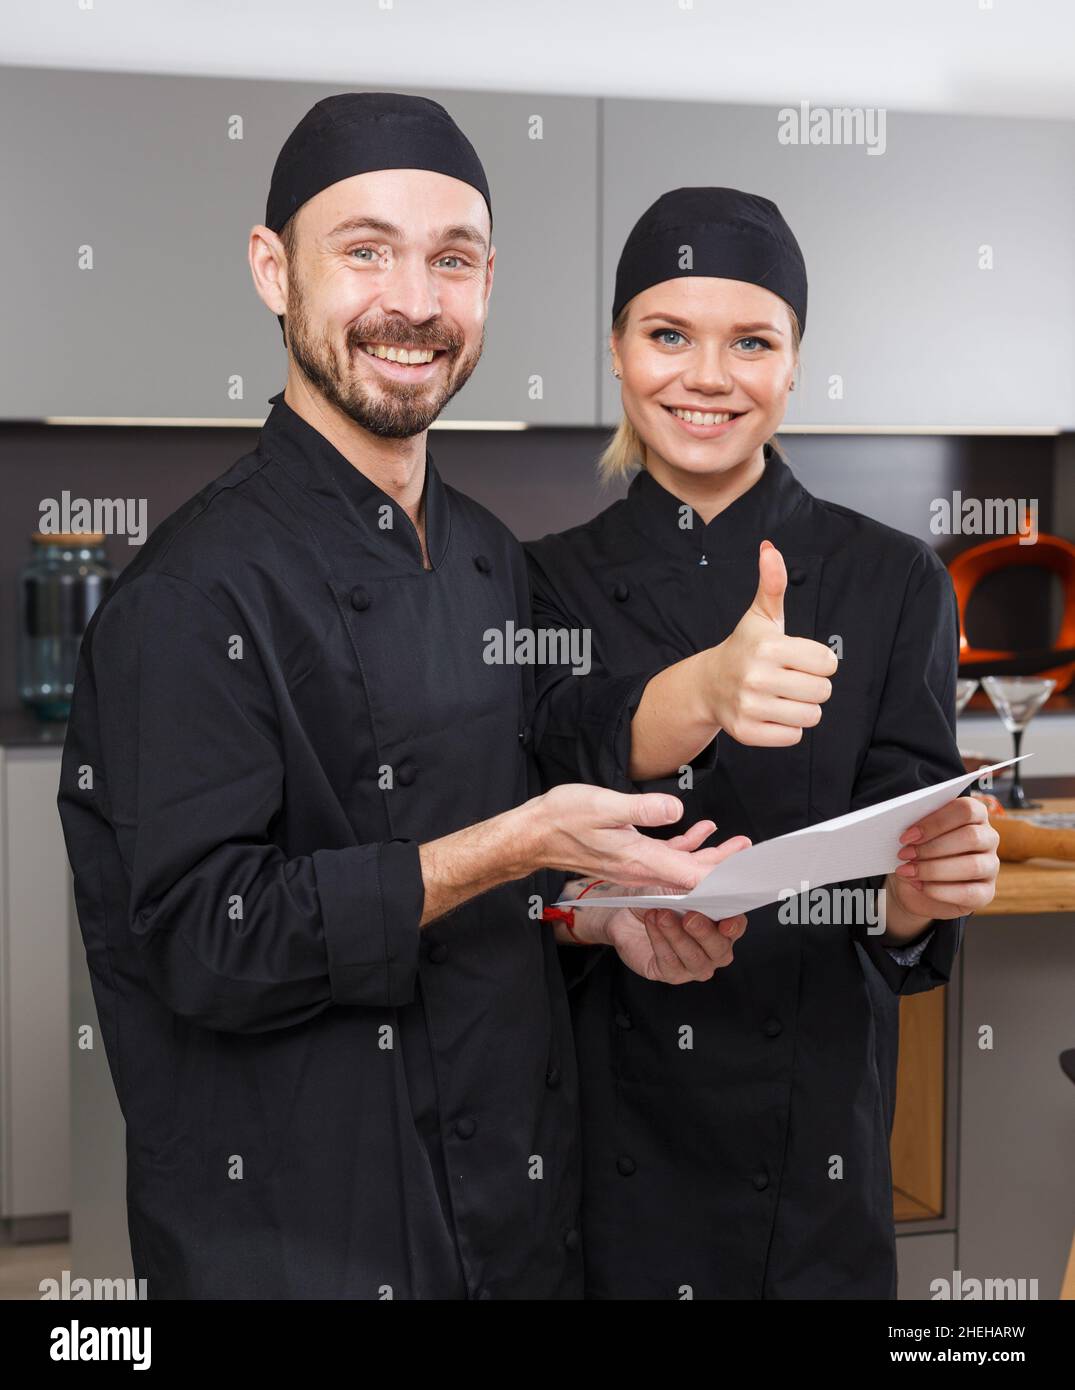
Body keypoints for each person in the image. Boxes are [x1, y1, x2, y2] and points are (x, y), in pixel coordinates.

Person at [56, 102, 748, 1301]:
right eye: (365, 250)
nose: (415, 301)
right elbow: (207, 940)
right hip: (300, 1234)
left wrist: (592, 918)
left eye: (453, 258)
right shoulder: (188, 594)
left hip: (511, 1220)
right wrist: (509, 844)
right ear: (274, 270)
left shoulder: (489, 555)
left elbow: (507, 873)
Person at [525, 186, 1001, 1299]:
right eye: (667, 335)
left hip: (811, 1134)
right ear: (615, 349)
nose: (705, 375)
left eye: (751, 340)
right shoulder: (535, 581)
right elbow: (523, 848)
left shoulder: (894, 582)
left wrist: (931, 883)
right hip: (604, 1122)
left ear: (793, 363)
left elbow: (896, 868)